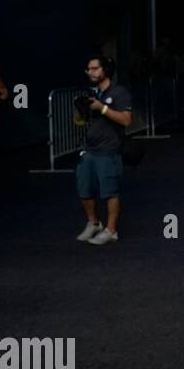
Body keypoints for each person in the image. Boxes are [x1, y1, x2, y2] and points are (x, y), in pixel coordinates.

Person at [75, 56, 133, 246]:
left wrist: (102, 108)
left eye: (94, 69)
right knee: (84, 190)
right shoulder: (92, 93)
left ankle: (111, 230)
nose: (90, 72)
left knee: (110, 192)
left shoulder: (119, 92)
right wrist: (80, 113)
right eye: (88, 69)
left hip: (109, 150)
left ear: (105, 70)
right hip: (89, 149)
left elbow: (126, 120)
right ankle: (94, 223)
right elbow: (81, 121)